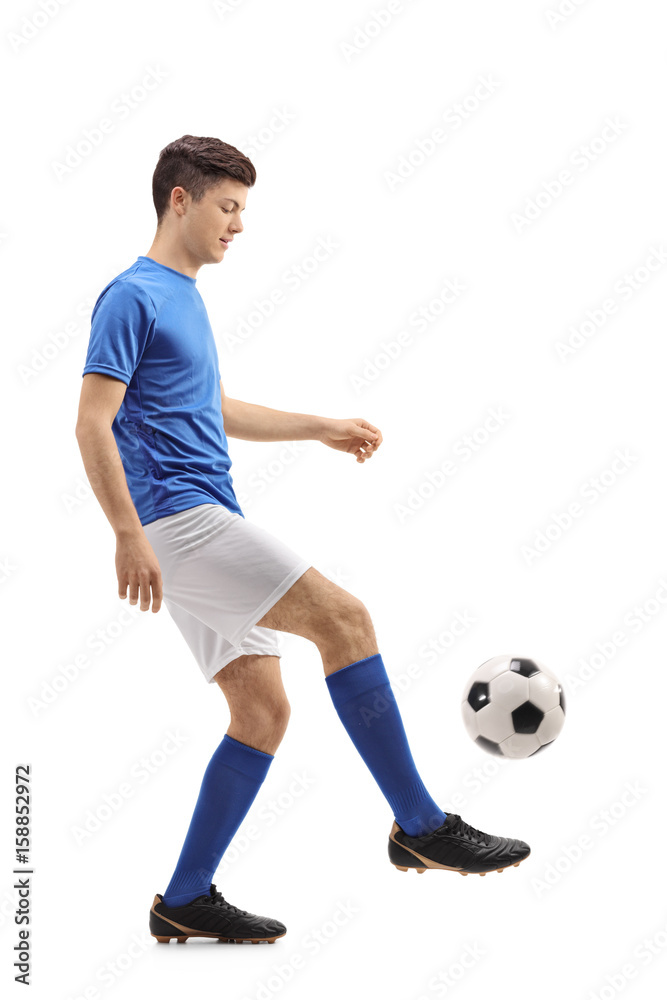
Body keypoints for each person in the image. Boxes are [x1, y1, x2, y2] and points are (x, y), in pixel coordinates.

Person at [75, 134, 530, 947]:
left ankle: (184, 897)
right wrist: (125, 534)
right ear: (179, 199)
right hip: (178, 523)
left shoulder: (185, 295)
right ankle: (419, 825)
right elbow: (91, 422)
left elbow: (209, 408)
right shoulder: (132, 295)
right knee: (346, 620)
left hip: (199, 517)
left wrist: (317, 426)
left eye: (243, 210)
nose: (239, 225)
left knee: (260, 711)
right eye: (227, 206)